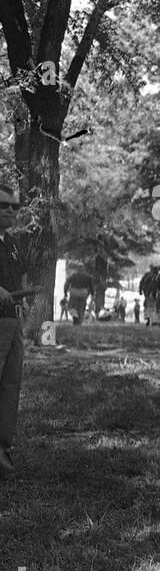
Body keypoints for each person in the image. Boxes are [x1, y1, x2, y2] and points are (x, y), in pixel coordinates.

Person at [0, 184, 36, 479]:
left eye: (14, 206)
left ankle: (3, 450)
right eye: (3, 205)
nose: (10, 210)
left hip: (12, 321)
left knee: (11, 385)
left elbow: (21, 272)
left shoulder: (10, 241)